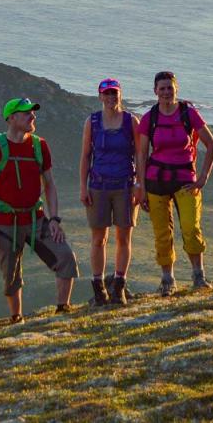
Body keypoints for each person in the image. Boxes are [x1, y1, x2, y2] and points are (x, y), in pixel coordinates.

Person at [0, 97, 79, 323]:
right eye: (26, 113)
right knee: (10, 275)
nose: (32, 116)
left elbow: (50, 184)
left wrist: (54, 219)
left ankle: (63, 310)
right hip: (5, 222)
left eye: (33, 112)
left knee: (65, 257)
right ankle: (17, 319)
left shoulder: (39, 145)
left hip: (36, 218)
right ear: (11, 118)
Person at [132, 71, 213, 294]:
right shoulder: (149, 118)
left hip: (185, 181)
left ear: (176, 89)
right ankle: (167, 279)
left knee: (191, 228)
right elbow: (140, 155)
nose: (166, 92)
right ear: (155, 91)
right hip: (156, 181)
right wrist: (139, 187)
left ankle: (198, 276)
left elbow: (211, 145)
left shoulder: (189, 113)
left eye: (170, 88)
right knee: (162, 233)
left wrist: (203, 178)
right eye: (162, 88)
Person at [78, 78, 139, 306]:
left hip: (125, 185)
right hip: (99, 185)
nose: (111, 98)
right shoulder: (92, 122)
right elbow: (85, 156)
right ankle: (99, 288)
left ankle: (119, 288)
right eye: (107, 93)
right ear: (100, 96)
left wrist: (139, 185)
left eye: (115, 93)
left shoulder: (131, 121)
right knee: (98, 239)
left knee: (124, 237)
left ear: (120, 95)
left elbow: (140, 155)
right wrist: (83, 187)